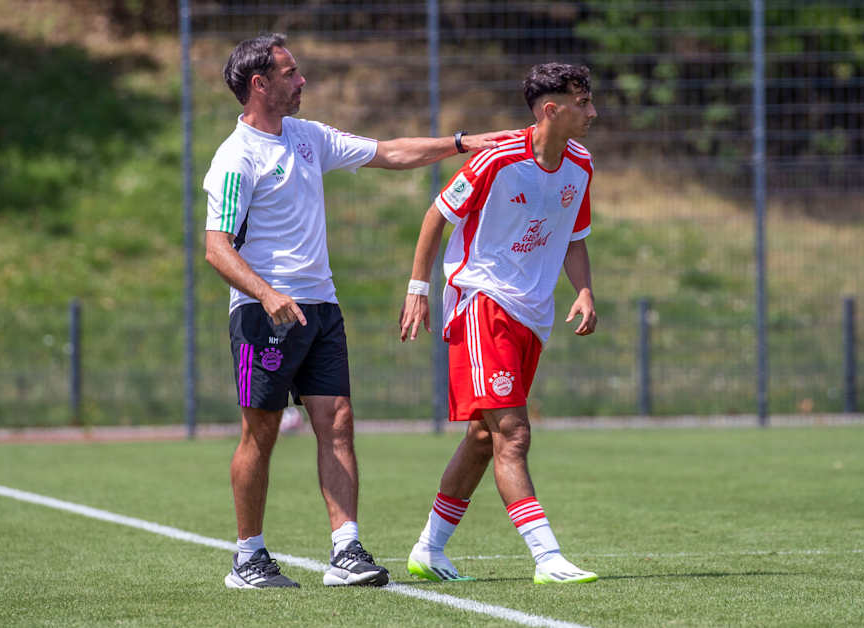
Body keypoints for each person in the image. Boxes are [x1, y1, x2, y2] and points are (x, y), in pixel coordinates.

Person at [202, 33, 517, 589]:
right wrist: (267, 294)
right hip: (262, 316)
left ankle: (345, 550)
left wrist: (466, 143)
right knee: (261, 432)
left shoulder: (308, 137)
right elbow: (216, 247)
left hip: (321, 308)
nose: (302, 81)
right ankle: (248, 557)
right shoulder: (235, 158)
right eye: (290, 72)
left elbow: (390, 152)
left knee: (338, 422)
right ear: (260, 84)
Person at [397, 62, 600, 584]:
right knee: (512, 432)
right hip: (482, 300)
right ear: (550, 109)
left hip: (532, 313)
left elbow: (574, 236)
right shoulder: (497, 159)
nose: (592, 112)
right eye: (582, 102)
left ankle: (428, 549)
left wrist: (583, 290)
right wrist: (419, 289)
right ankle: (547, 557)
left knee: (483, 438)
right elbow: (436, 215)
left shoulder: (581, 164)